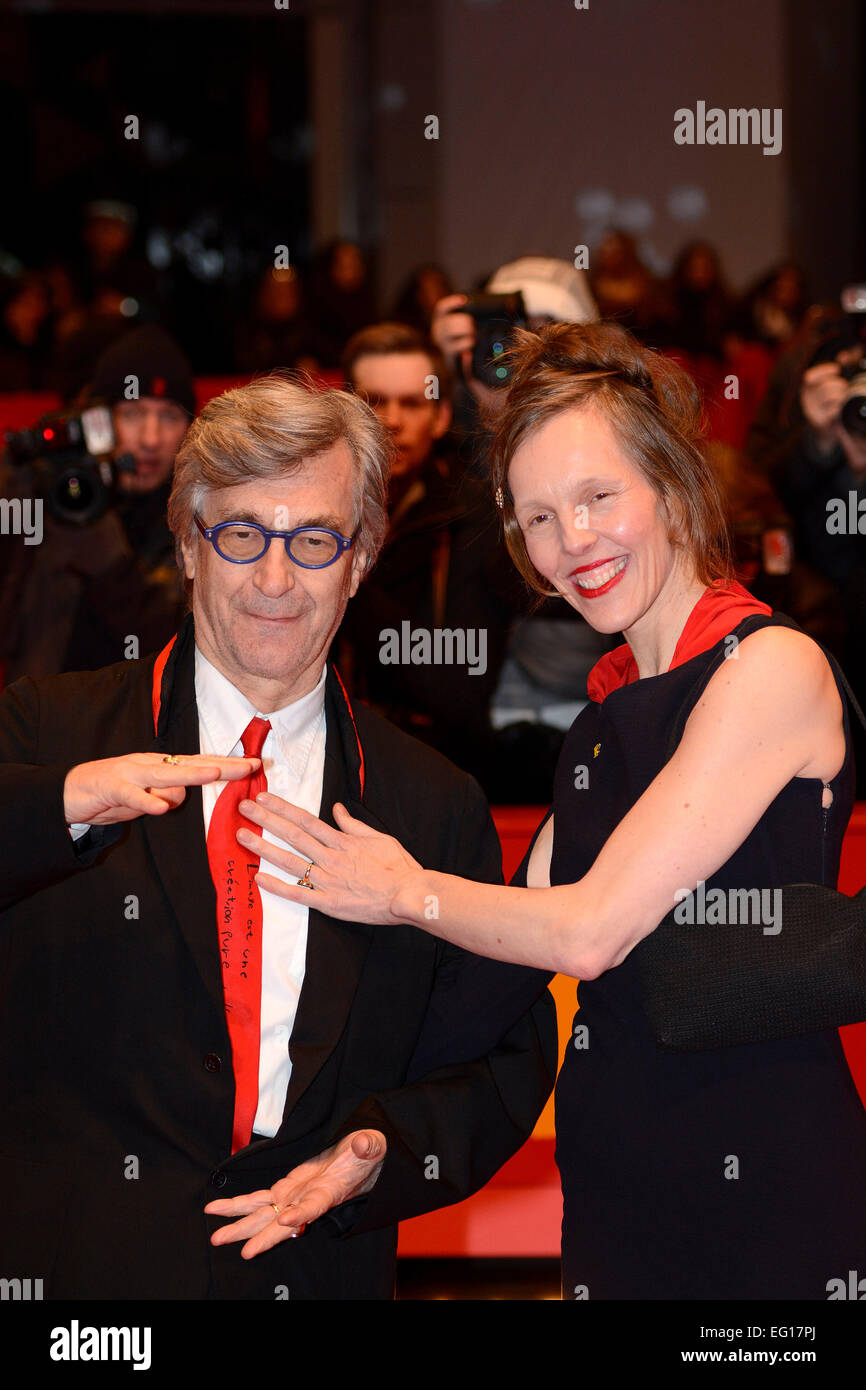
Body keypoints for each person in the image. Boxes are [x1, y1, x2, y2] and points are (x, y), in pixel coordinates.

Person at [242, 323, 866, 1300]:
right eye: (536, 517)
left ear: (668, 482)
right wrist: (339, 1124)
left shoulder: (769, 667)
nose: (570, 541)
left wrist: (405, 891)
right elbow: (486, 987)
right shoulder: (603, 718)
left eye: (595, 497)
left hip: (764, 1196)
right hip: (618, 1194)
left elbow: (588, 930)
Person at [0, 372, 556, 1300]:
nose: (273, 578)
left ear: (363, 554)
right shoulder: (46, 738)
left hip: (316, 1266)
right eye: (242, 534)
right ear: (187, 543)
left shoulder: (431, 800)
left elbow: (498, 1054)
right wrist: (54, 805)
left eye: (313, 541)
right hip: (76, 1275)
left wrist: (383, 1149)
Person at [338, 321, 515, 788]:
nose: (391, 419)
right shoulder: (310, 512)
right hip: (321, 762)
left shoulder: (473, 518)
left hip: (433, 773)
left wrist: (347, 581)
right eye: (375, 401)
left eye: (411, 403)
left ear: (440, 418)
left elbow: (459, 687)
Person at [0, 324, 191, 681]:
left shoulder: (198, 520)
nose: (151, 439)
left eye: (169, 416)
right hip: (41, 722)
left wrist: (111, 566)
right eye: (132, 414)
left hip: (144, 730)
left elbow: (183, 652)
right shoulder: (53, 490)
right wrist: (13, 500)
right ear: (98, 421)